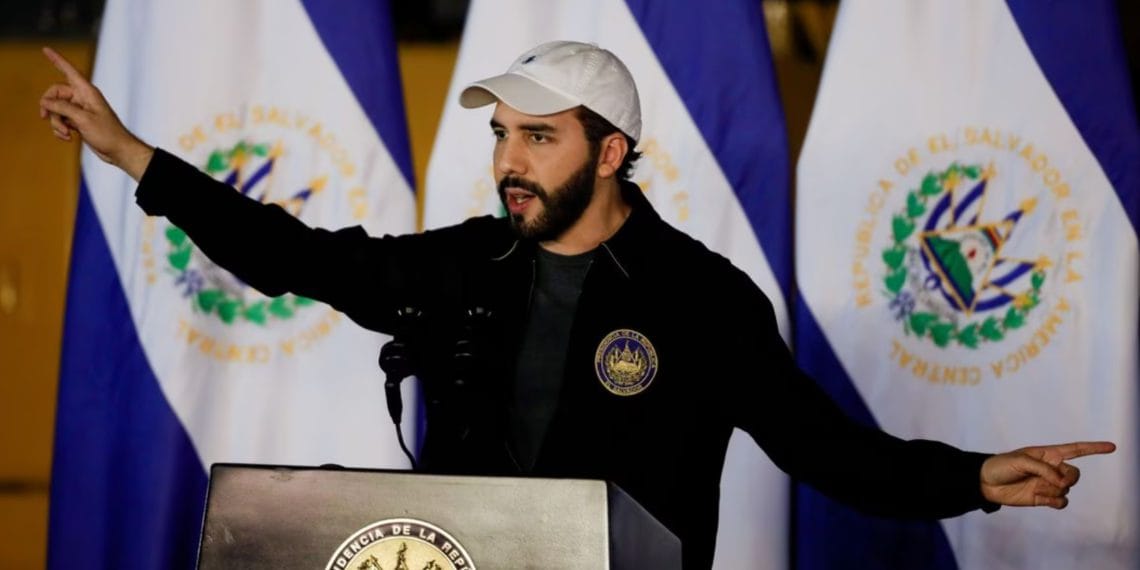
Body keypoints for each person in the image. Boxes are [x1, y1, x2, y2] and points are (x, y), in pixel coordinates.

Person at [39, 41, 1114, 569]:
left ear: (608, 152)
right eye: (501, 135)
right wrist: (134, 155)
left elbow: (824, 449)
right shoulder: (464, 263)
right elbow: (297, 258)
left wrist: (969, 478)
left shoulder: (703, 298)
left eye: (538, 137)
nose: (509, 161)